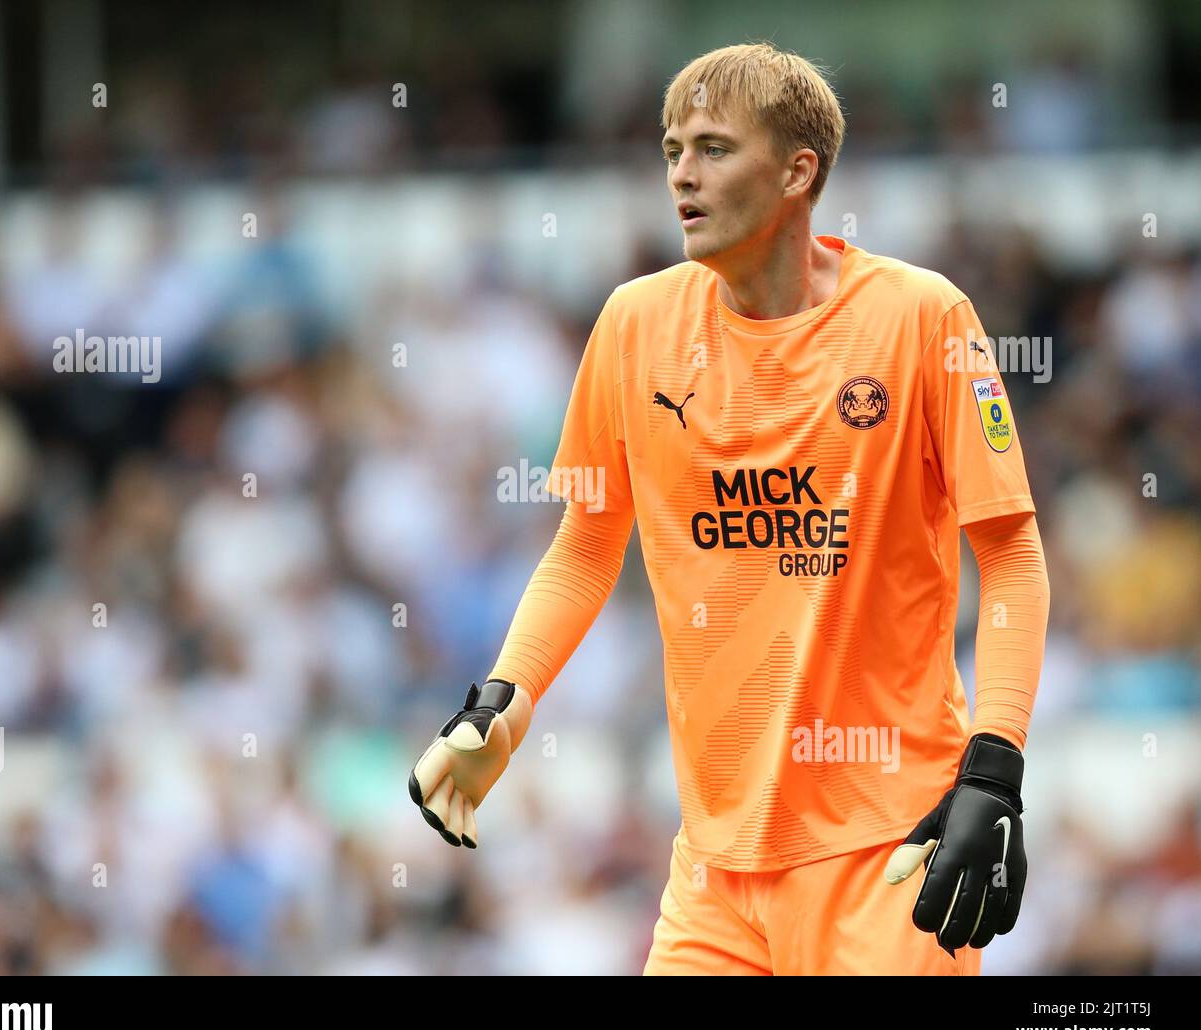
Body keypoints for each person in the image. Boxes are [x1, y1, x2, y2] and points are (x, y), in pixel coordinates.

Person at [409, 42, 1050, 976]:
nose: (680, 173)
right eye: (671, 148)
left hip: (885, 849)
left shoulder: (922, 318)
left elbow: (1013, 556)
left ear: (799, 172)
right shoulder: (633, 325)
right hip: (712, 868)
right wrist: (502, 702)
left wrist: (994, 770)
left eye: (712, 147)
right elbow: (588, 544)